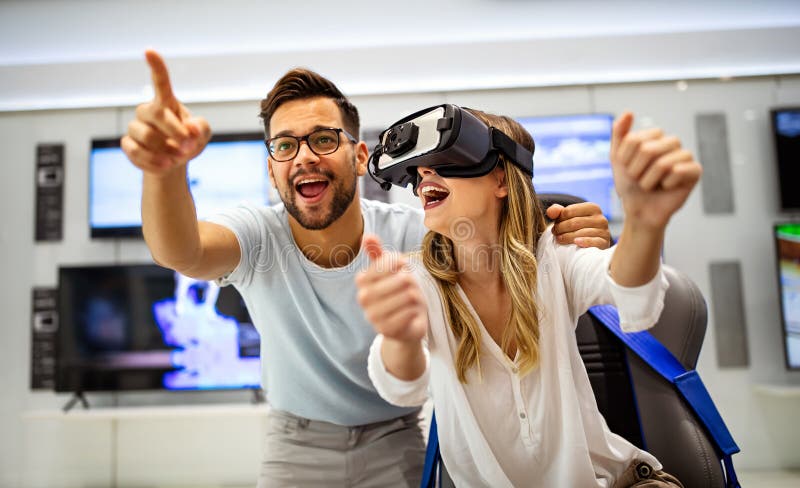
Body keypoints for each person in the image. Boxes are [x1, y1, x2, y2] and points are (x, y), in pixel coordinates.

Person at [121, 49, 614, 487]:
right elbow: (180, 251)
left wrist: (563, 223)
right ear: (270, 169)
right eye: (285, 146)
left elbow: (487, 226)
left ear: (360, 157)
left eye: (323, 139)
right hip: (296, 445)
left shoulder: (412, 233)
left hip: (396, 437)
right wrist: (164, 172)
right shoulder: (258, 237)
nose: (304, 157)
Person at [356, 106, 701, 487]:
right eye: (419, 168)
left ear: (501, 178)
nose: (423, 174)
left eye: (443, 161)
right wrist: (399, 337)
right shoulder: (414, 280)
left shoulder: (555, 256)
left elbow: (629, 289)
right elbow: (402, 387)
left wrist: (644, 223)